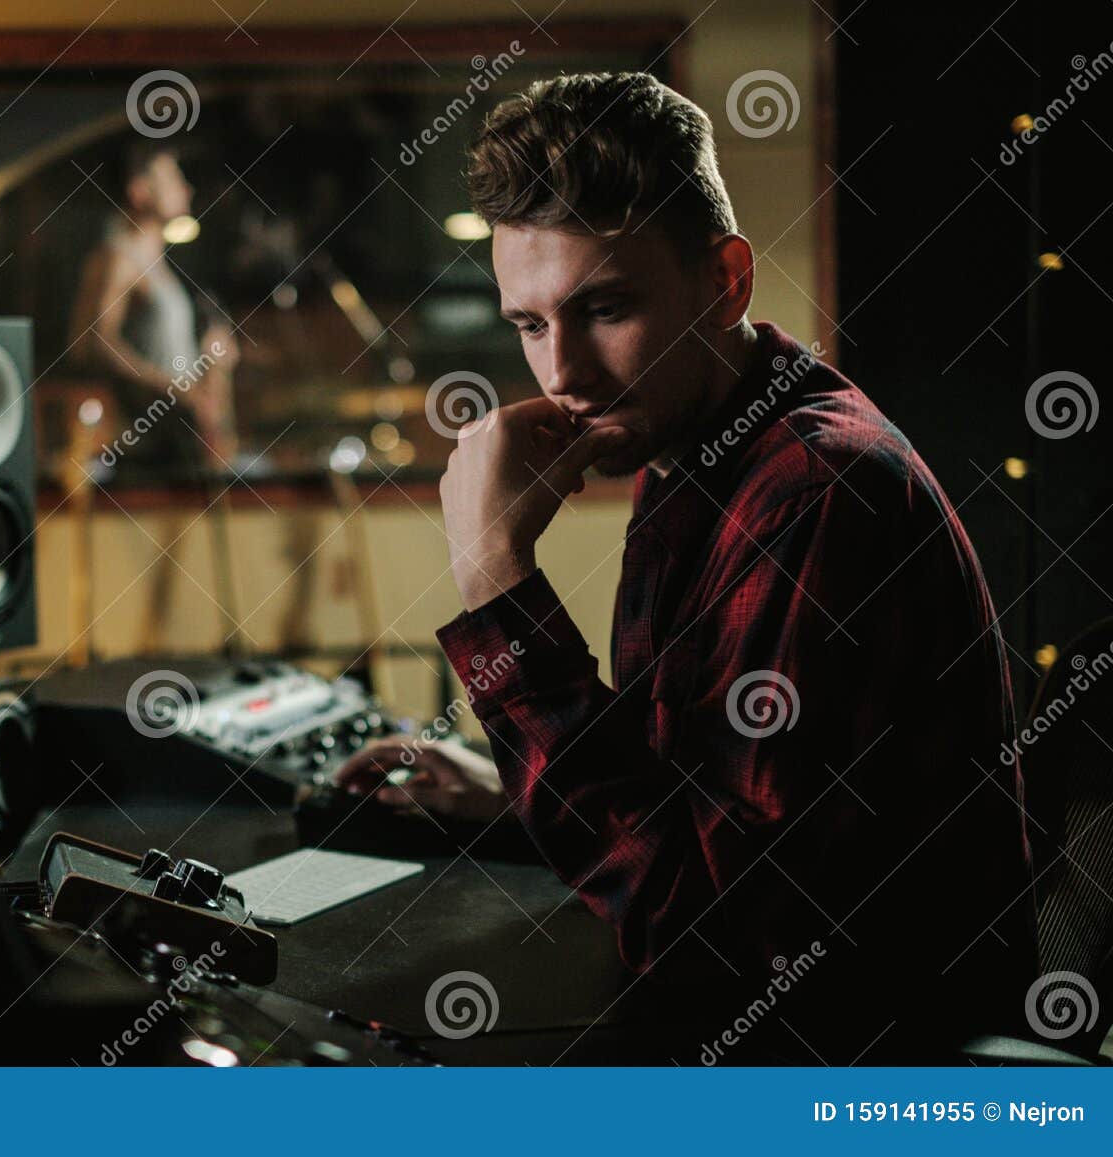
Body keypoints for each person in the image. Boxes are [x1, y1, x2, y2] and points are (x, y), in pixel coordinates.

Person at [335, 72, 1036, 1063]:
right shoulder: (696, 448)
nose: (563, 372)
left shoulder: (814, 488)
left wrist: (491, 567)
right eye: (529, 324)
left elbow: (704, 934)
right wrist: (510, 788)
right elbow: (696, 809)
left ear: (726, 281)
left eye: (604, 307)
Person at [69, 139, 239, 471]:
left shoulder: (161, 266)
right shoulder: (119, 257)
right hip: (149, 452)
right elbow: (93, 343)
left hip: (186, 445)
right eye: (173, 179)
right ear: (139, 191)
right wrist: (176, 390)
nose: (186, 188)